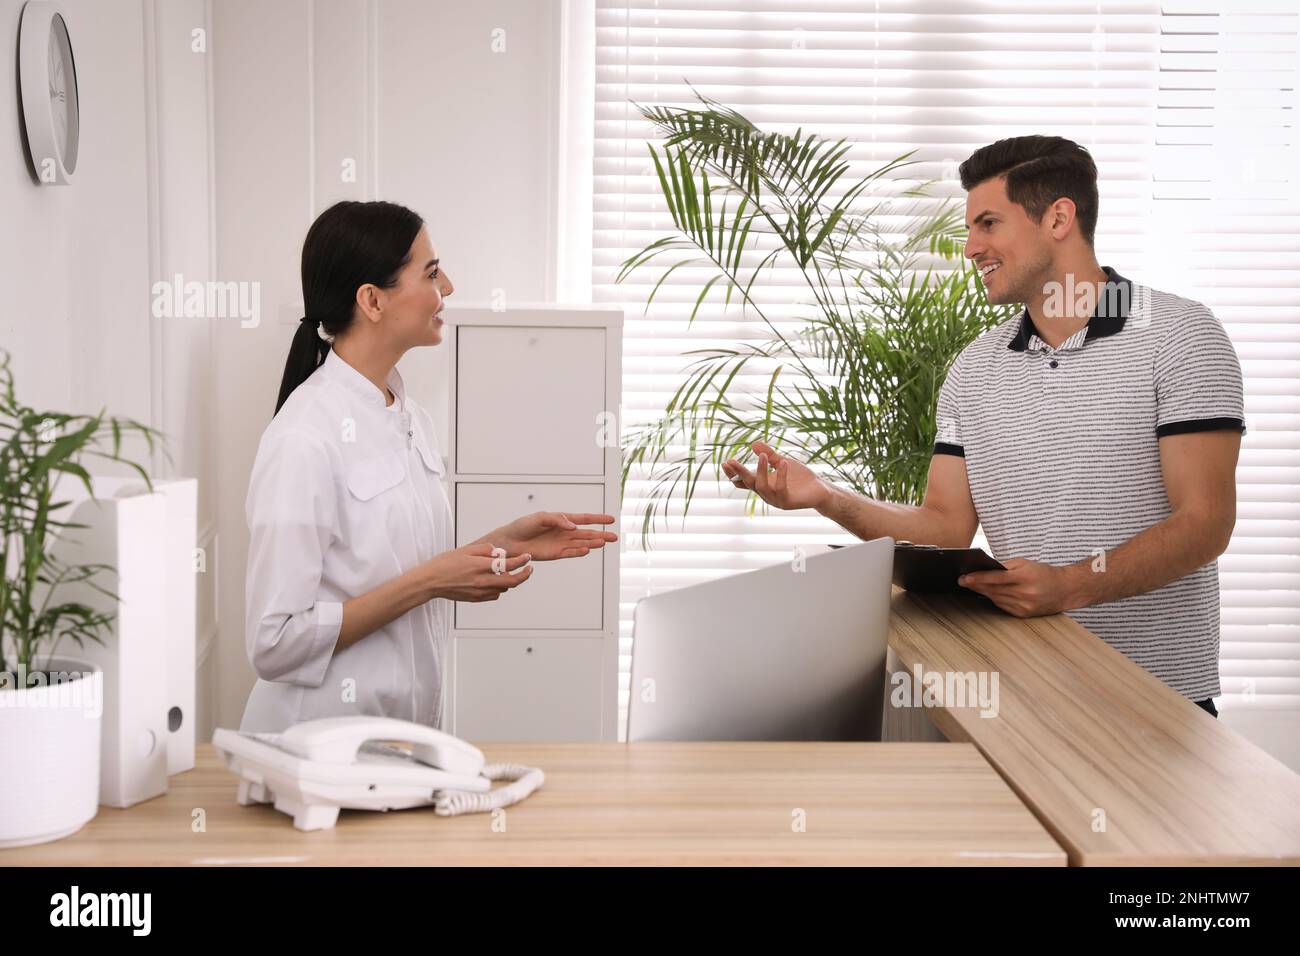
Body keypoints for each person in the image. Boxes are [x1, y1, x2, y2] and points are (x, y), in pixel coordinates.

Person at [723, 136, 1243, 717]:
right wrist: (825, 497)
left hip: (1156, 698)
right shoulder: (975, 367)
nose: (971, 248)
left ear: (1058, 218)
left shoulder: (1181, 336)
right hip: (1023, 686)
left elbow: (1205, 522)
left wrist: (1071, 586)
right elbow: (944, 527)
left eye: (988, 223)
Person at [240, 200, 617, 732]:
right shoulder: (303, 438)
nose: (450, 287)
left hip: (400, 738)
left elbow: (387, 567)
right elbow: (273, 642)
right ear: (372, 300)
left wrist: (501, 544)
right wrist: (431, 582)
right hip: (317, 746)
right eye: (432, 272)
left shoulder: (409, 415)